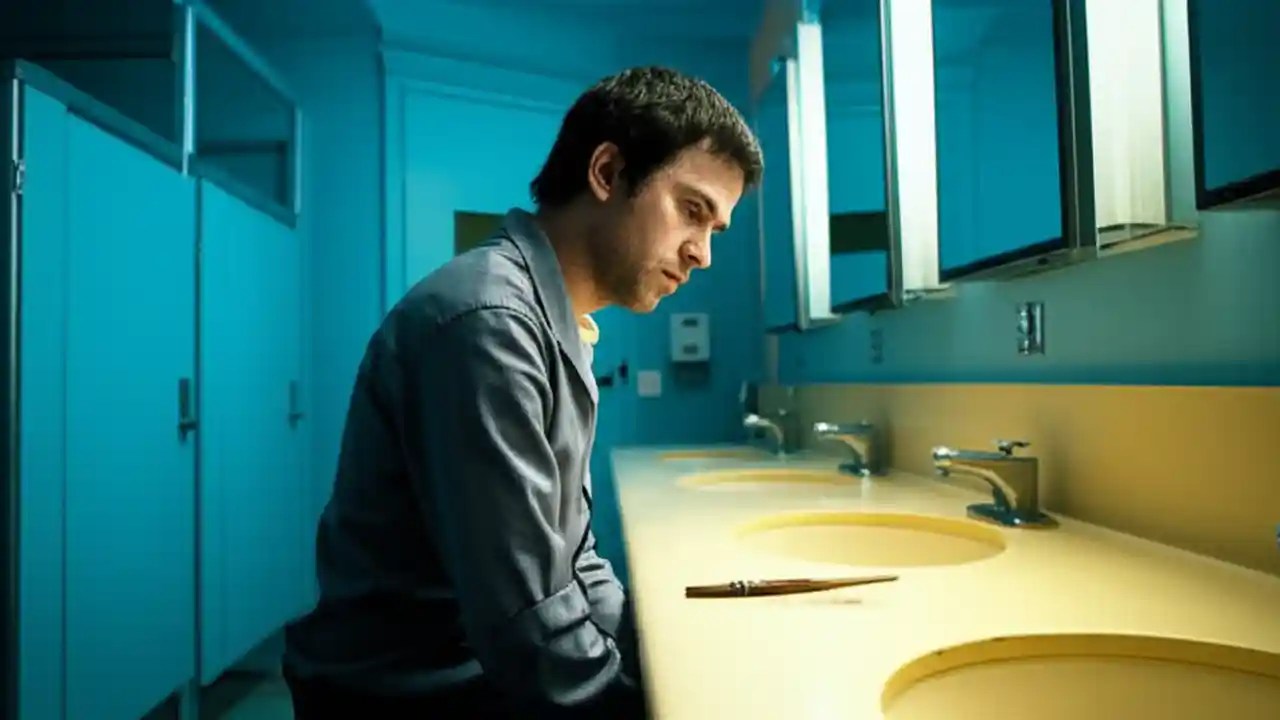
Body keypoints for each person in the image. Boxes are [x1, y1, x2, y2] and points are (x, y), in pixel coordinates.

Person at [281, 66, 763, 718]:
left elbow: (575, 556)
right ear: (607, 172)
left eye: (715, 229)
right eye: (693, 210)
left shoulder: (556, 323)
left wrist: (652, 663)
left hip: (473, 668)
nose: (702, 252)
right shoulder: (490, 324)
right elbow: (528, 623)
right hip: (406, 692)